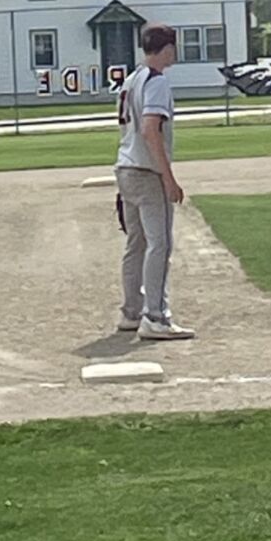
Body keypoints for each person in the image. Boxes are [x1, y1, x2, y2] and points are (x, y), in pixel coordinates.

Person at [114, 23, 195, 341]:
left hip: (125, 167)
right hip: (147, 172)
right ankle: (156, 316)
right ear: (167, 48)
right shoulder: (157, 81)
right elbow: (151, 129)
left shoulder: (132, 79)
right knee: (159, 243)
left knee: (136, 244)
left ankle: (131, 312)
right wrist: (168, 177)